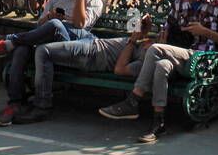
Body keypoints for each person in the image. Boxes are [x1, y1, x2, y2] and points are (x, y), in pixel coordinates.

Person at [98, 0, 218, 143]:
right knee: (161, 65)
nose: (186, 2)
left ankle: (133, 101)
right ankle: (159, 122)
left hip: (202, 57)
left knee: (156, 50)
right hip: (180, 53)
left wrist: (205, 32)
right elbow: (168, 25)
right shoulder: (180, 2)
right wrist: (161, 37)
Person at [0, 0, 104, 125]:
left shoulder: (94, 1)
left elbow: (80, 25)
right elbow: (40, 25)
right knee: (22, 50)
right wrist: (49, 17)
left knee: (56, 25)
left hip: (73, 45)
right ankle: (15, 104)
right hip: (49, 40)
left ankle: (7, 41)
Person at [11, 31, 149, 125]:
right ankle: (10, 41)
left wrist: (132, 41)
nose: (162, 32)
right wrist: (144, 31)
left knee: (43, 50)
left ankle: (42, 106)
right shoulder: (150, 43)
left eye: (164, 33)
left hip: (94, 54)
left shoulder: (148, 59)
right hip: (92, 42)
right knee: (55, 26)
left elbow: (120, 69)